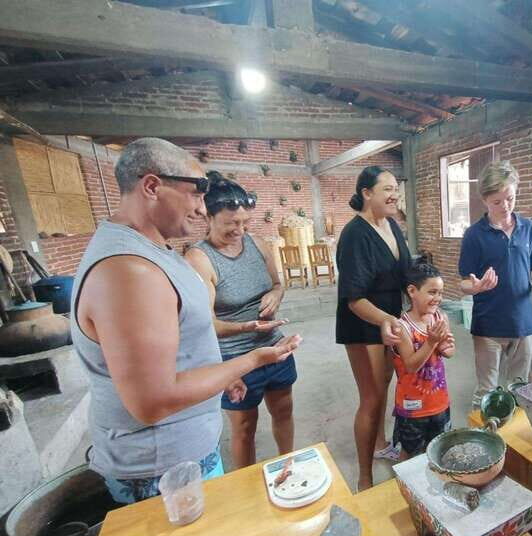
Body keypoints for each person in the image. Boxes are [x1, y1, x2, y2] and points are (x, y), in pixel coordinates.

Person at [71, 138, 300, 503]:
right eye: (195, 193)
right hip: (158, 474)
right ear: (151, 186)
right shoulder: (129, 271)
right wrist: (254, 358)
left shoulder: (150, 251)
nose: (199, 208)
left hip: (178, 459)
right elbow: (152, 399)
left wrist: (218, 376)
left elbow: (173, 353)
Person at [185, 172, 296, 470]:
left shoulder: (258, 244)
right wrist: (247, 327)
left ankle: (288, 466)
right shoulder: (199, 258)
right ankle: (246, 486)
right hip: (235, 358)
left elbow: (277, 283)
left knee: (284, 410)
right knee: (245, 426)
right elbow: (204, 325)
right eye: (231, 224)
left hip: (275, 346)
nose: (240, 230)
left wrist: (275, 295)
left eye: (245, 223)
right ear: (208, 217)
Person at [458, 161, 532, 408]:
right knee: (486, 390)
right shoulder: (474, 235)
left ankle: (514, 441)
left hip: (522, 321)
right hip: (488, 324)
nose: (505, 206)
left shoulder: (527, 228)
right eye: (497, 201)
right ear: (485, 199)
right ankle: (484, 438)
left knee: (518, 387)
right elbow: (463, 282)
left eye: (510, 199)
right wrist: (475, 287)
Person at [336, 166, 411, 491]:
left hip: (388, 321)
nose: (394, 194)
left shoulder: (391, 224)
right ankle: (364, 478)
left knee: (384, 385)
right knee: (371, 396)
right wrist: (386, 320)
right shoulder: (355, 234)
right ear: (367, 193)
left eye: (396, 188)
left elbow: (405, 271)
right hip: (364, 323)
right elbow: (354, 298)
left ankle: (381, 443)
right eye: (387, 189)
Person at [391, 259, 455, 460]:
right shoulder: (402, 327)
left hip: (439, 401)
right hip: (413, 407)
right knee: (410, 453)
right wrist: (432, 342)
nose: (438, 298)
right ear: (412, 291)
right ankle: (404, 487)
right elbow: (410, 365)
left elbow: (449, 352)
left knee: (439, 450)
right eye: (432, 292)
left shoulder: (440, 317)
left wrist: (446, 346)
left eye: (440, 293)